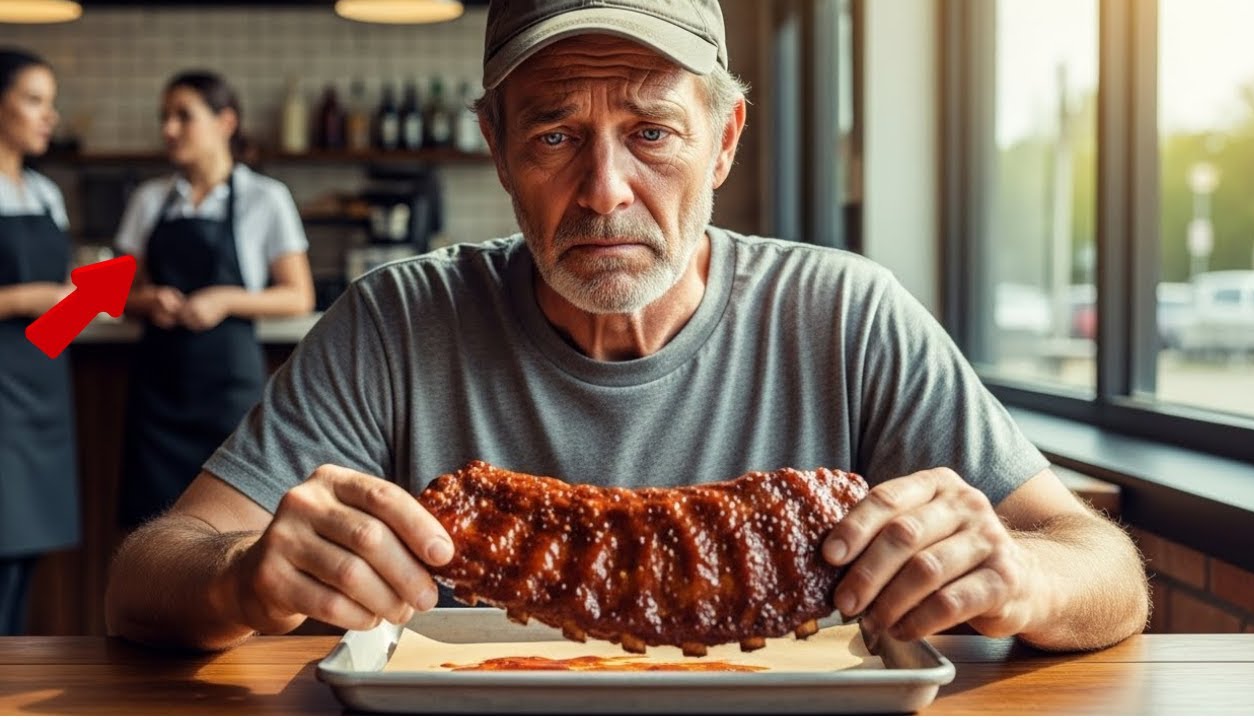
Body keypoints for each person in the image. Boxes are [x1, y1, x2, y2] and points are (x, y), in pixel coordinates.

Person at [105, 0, 1149, 652]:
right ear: (499, 147)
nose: (605, 191)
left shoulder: (845, 313)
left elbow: (1101, 571)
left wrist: (1023, 576)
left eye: (652, 132)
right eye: (556, 134)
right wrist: (242, 577)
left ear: (725, 138)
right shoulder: (396, 318)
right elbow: (144, 574)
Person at [114, 70, 314, 528]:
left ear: (226, 122)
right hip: (157, 394)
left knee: (231, 527)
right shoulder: (149, 199)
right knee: (150, 528)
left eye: (183, 116)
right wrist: (146, 300)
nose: (168, 129)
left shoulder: (267, 198)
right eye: (164, 117)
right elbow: (109, 291)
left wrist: (225, 300)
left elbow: (297, 295)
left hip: (227, 392)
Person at [0, 48, 78, 636]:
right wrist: (29, 299)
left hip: (43, 391)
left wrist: (88, 296)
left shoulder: (46, 193)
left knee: (25, 553)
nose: (47, 117)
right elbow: (35, 299)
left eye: (50, 103)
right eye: (33, 100)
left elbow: (59, 309)